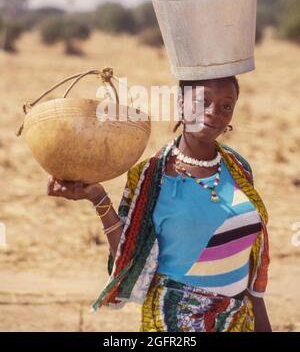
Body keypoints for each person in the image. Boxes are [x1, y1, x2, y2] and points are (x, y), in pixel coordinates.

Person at [47, 75, 272, 332]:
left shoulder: (238, 168)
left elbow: (250, 263)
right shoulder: (151, 177)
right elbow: (128, 253)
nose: (213, 113)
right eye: (202, 101)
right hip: (175, 321)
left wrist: (263, 325)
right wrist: (98, 198)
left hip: (237, 320)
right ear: (180, 104)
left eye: (226, 106)